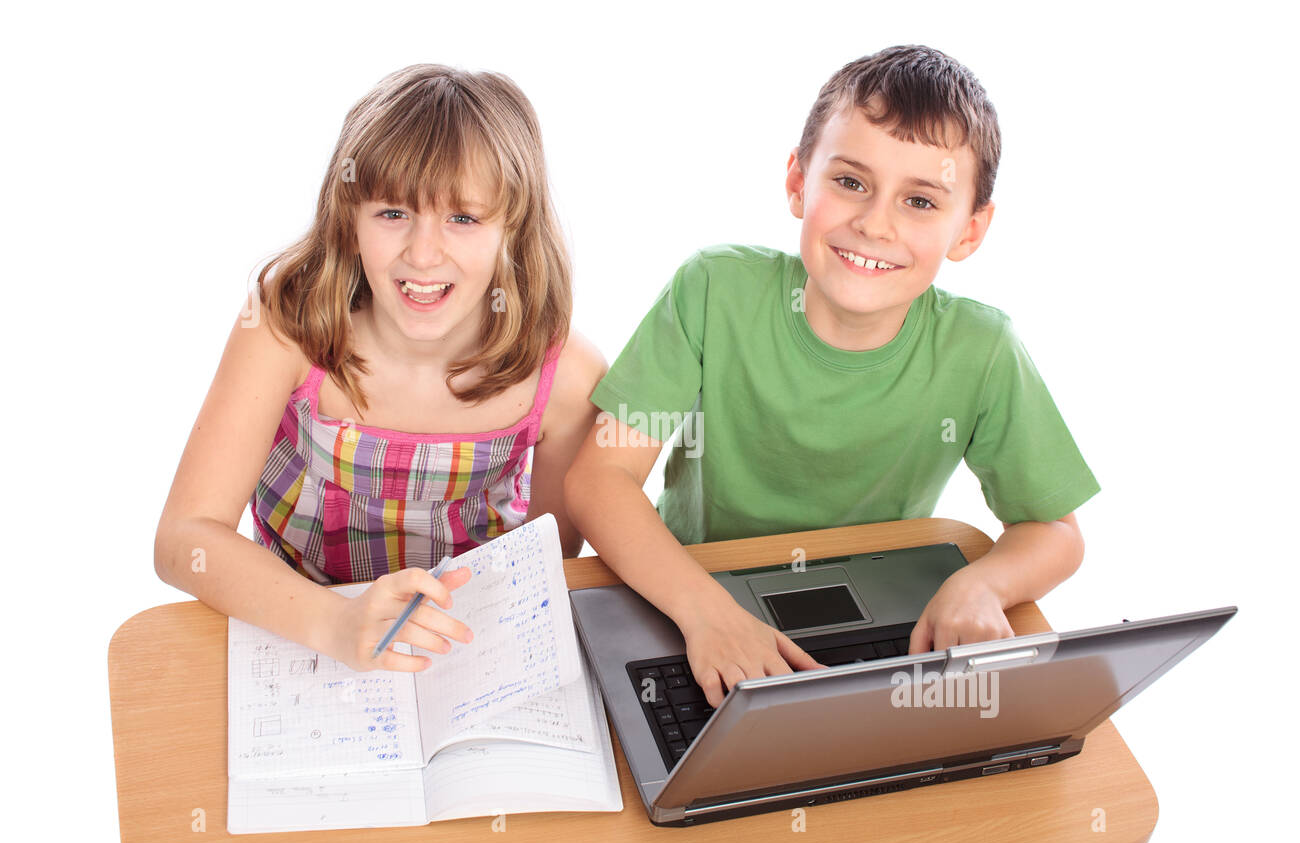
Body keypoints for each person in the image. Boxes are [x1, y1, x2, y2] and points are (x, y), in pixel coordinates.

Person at [564, 45, 1099, 708]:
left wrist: (983, 585)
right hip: (688, 593)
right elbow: (599, 478)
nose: (875, 224)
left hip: (872, 615)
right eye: (850, 182)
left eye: (921, 201)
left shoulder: (983, 349)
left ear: (970, 230)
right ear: (798, 182)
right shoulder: (713, 290)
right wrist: (706, 613)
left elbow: (1055, 531)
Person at [155, 65, 606, 673]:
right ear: (350, 216)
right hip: (299, 626)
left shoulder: (565, 377)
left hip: (461, 647)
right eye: (393, 213)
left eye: (464, 218)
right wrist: (335, 622)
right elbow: (184, 538)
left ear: (513, 230)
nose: (422, 254)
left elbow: (547, 563)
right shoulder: (283, 328)